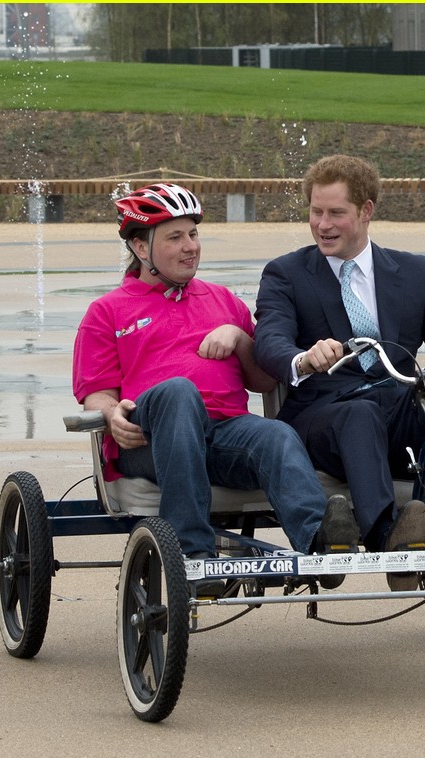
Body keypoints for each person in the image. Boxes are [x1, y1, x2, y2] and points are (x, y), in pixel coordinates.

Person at [72, 183, 359, 594]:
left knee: (276, 434)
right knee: (178, 392)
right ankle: (192, 555)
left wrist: (241, 339)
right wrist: (110, 413)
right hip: (148, 443)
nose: (190, 246)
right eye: (175, 237)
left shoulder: (223, 300)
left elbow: (263, 382)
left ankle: (319, 542)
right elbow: (96, 391)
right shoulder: (107, 311)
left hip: (225, 435)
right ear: (139, 247)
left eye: (194, 234)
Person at [253, 155, 425, 590]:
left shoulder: (414, 271)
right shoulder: (286, 274)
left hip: (397, 410)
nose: (322, 225)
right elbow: (269, 340)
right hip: (326, 418)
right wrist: (304, 357)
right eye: (316, 212)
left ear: (366, 211)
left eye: (336, 213)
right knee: (361, 410)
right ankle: (386, 534)